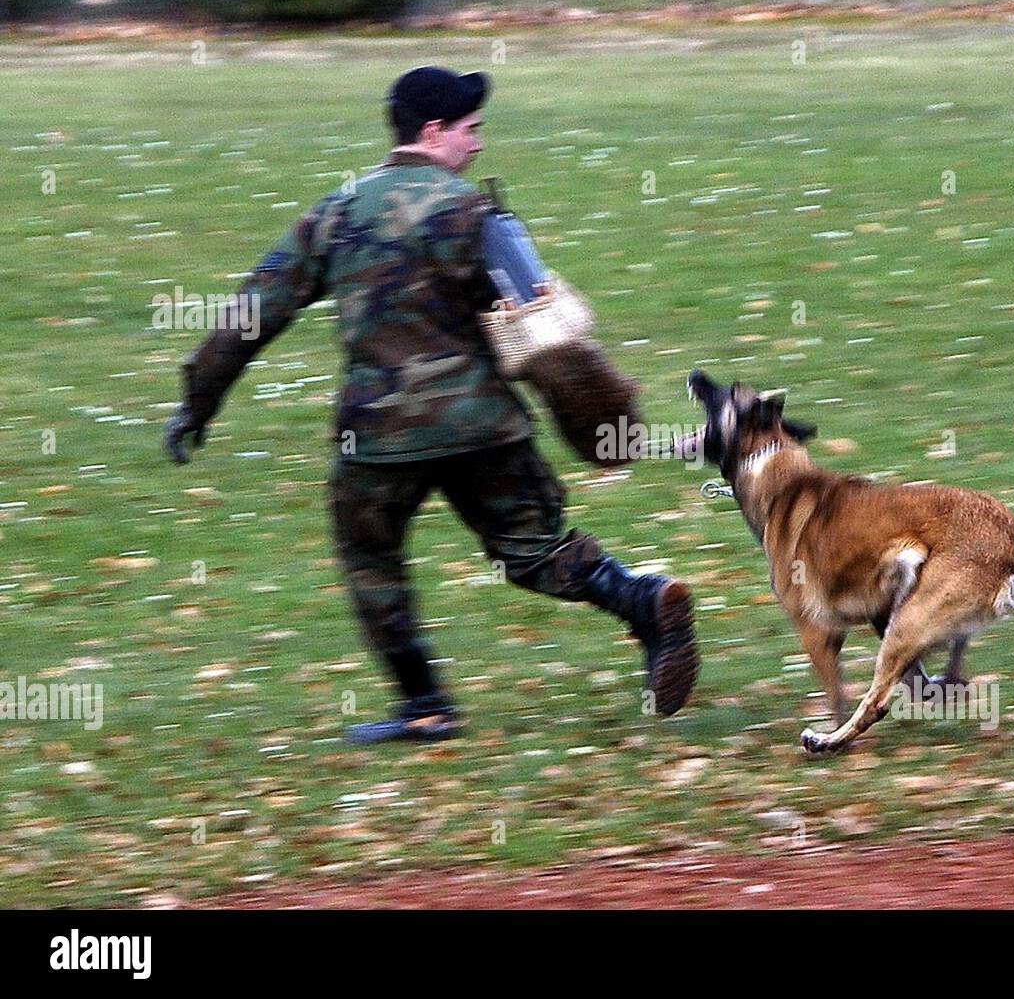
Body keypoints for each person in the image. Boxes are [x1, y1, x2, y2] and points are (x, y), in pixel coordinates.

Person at [163, 66, 699, 744]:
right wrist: (606, 426)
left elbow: (251, 313)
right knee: (532, 552)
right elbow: (551, 332)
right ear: (433, 130)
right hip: (485, 426)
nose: (476, 147)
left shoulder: (335, 214)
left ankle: (424, 705)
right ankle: (643, 600)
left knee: (371, 561)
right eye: (470, 131)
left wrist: (197, 402)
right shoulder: (479, 216)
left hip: (381, 438)